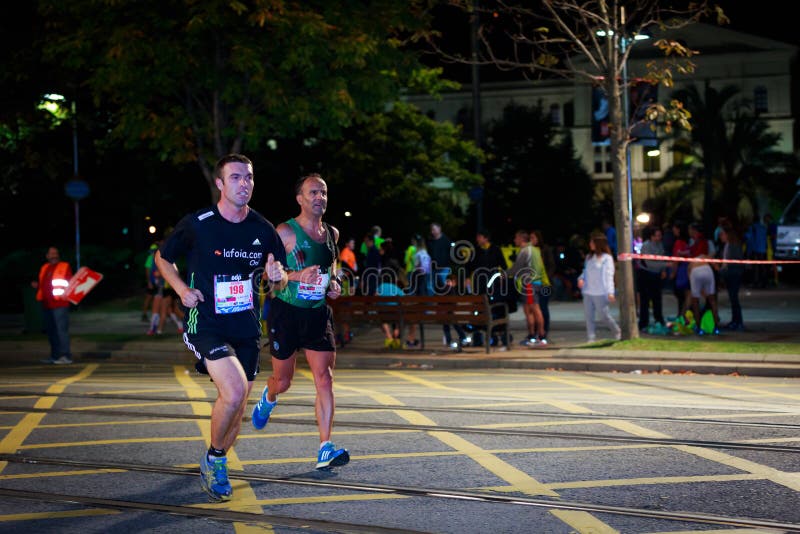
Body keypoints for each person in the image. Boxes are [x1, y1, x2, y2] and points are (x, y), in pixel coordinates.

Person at [154, 153, 288, 502]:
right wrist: (182, 290)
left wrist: (279, 276)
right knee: (234, 389)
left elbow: (281, 276)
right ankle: (213, 459)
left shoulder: (263, 228)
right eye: (236, 178)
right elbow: (162, 257)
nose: (245, 183)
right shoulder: (199, 223)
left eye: (249, 177)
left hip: (245, 326)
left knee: (239, 403)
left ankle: (219, 459)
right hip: (207, 322)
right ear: (219, 184)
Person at [251, 172, 350, 473]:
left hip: (318, 313)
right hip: (287, 312)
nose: (320, 198)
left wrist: (334, 282)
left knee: (325, 378)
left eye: (323, 192)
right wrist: (296, 276)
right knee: (283, 381)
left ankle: (325, 447)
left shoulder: (332, 234)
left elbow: (331, 268)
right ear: (300, 199)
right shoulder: (285, 232)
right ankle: (268, 398)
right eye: (313, 193)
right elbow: (271, 275)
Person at [32, 246, 73, 364]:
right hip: (46, 304)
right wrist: (37, 285)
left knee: (61, 331)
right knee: (51, 331)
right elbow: (44, 284)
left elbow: (70, 282)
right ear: (47, 256)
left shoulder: (64, 266)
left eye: (56, 253)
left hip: (60, 303)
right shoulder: (44, 267)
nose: (54, 255)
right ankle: (55, 356)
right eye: (51, 254)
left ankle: (66, 356)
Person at [577, 232, 621, 343]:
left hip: (601, 292)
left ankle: (616, 330)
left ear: (598, 244)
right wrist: (581, 279)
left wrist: (611, 292)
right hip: (588, 292)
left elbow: (609, 275)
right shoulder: (589, 257)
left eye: (592, 242)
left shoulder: (607, 258)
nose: (590, 244)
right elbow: (585, 271)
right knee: (589, 316)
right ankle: (591, 337)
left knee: (604, 316)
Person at [507, 230, 546, 347]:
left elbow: (516, 269)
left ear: (521, 239)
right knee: (532, 309)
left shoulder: (524, 251)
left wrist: (504, 273)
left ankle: (538, 336)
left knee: (532, 310)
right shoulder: (535, 250)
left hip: (529, 283)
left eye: (516, 238)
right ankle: (536, 335)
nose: (514, 240)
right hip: (536, 281)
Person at [637, 226, 667, 331]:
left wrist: (663, 269)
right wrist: (666, 265)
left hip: (656, 275)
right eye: (657, 235)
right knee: (645, 301)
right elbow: (649, 263)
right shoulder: (646, 246)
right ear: (652, 236)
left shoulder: (660, 245)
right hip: (645, 274)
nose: (659, 237)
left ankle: (659, 319)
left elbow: (661, 258)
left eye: (660, 235)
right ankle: (643, 323)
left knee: (657, 299)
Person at [718, 223, 745, 330]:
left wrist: (722, 271)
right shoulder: (727, 246)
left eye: (722, 234)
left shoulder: (734, 246)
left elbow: (734, 263)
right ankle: (735, 320)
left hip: (734, 275)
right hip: (730, 275)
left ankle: (738, 322)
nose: (720, 237)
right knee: (733, 299)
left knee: (734, 299)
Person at [531, 230, 555, 340]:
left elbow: (551, 266)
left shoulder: (545, 249)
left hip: (544, 284)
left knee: (543, 307)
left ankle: (544, 331)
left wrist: (546, 279)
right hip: (533, 283)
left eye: (533, 238)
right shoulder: (530, 250)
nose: (532, 240)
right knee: (535, 308)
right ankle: (536, 331)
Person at [428, 222, 452, 293]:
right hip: (433, 268)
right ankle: (430, 303)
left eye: (434, 229)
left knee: (443, 284)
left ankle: (448, 301)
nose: (432, 232)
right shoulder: (430, 241)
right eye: (431, 230)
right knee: (429, 286)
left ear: (439, 229)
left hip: (444, 267)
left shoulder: (446, 240)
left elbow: (450, 254)